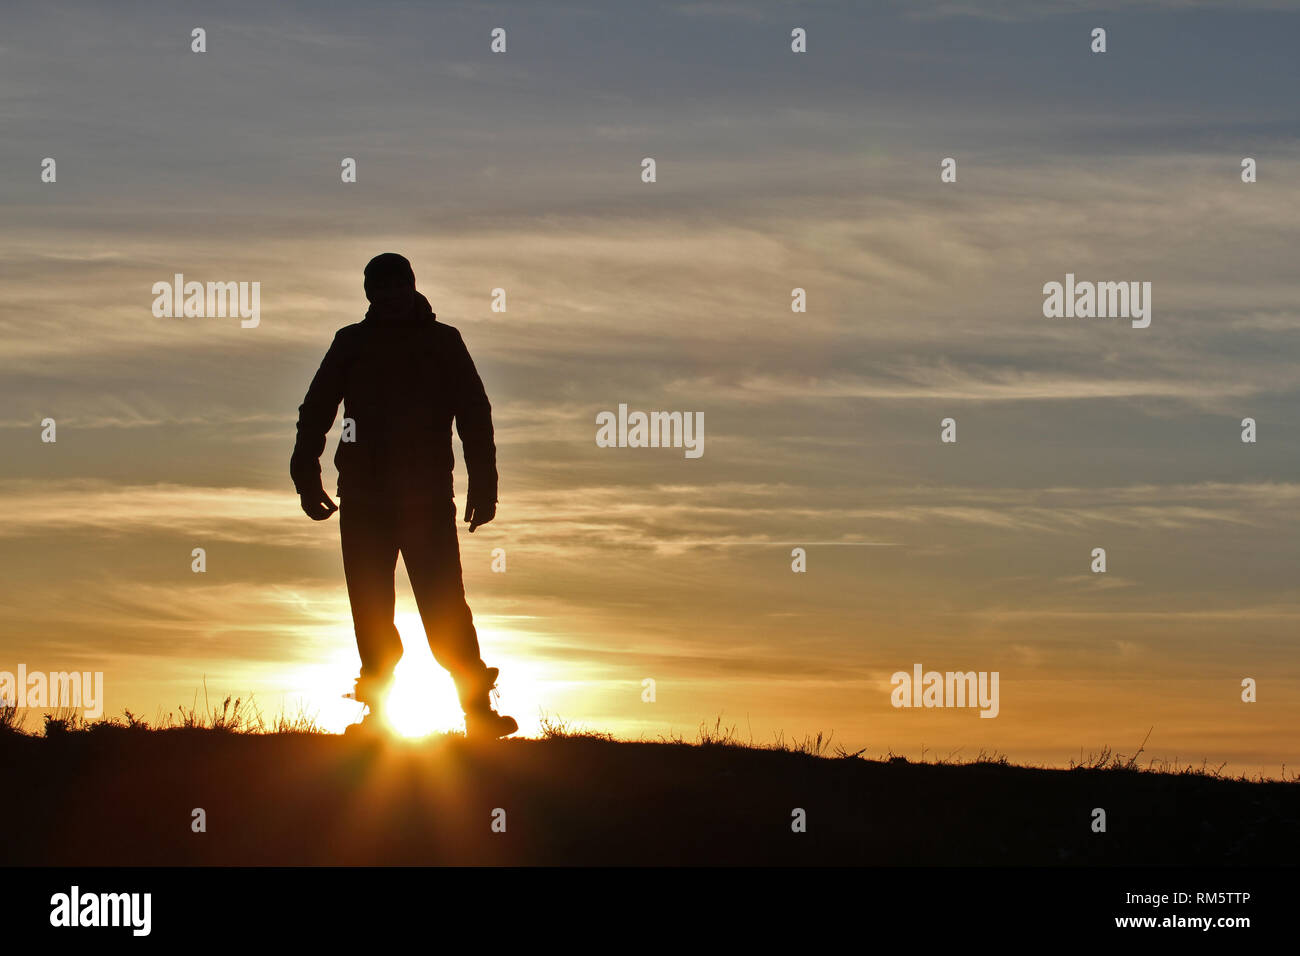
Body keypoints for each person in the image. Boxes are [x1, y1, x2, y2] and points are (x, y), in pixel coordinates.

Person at [290, 253, 517, 738]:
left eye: (398, 283)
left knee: (444, 606)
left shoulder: (442, 342)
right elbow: (317, 408)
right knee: (370, 607)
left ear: (411, 287)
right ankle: (377, 716)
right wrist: (305, 472)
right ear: (370, 292)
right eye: (381, 285)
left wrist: (484, 483)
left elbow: (475, 414)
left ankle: (477, 710)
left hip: (428, 500)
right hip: (364, 501)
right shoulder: (350, 343)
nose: (390, 292)